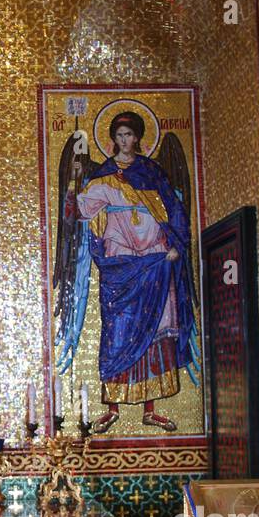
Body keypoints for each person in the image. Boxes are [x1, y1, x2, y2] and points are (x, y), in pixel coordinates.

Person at [72, 112, 196, 432]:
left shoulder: (152, 172)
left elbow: (175, 211)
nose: (125, 140)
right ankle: (112, 406)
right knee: (117, 331)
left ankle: (150, 408)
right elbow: (84, 214)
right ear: (113, 139)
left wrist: (176, 246)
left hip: (155, 258)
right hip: (121, 263)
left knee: (155, 332)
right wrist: (77, 187)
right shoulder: (102, 175)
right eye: (120, 135)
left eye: (130, 134)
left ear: (138, 138)